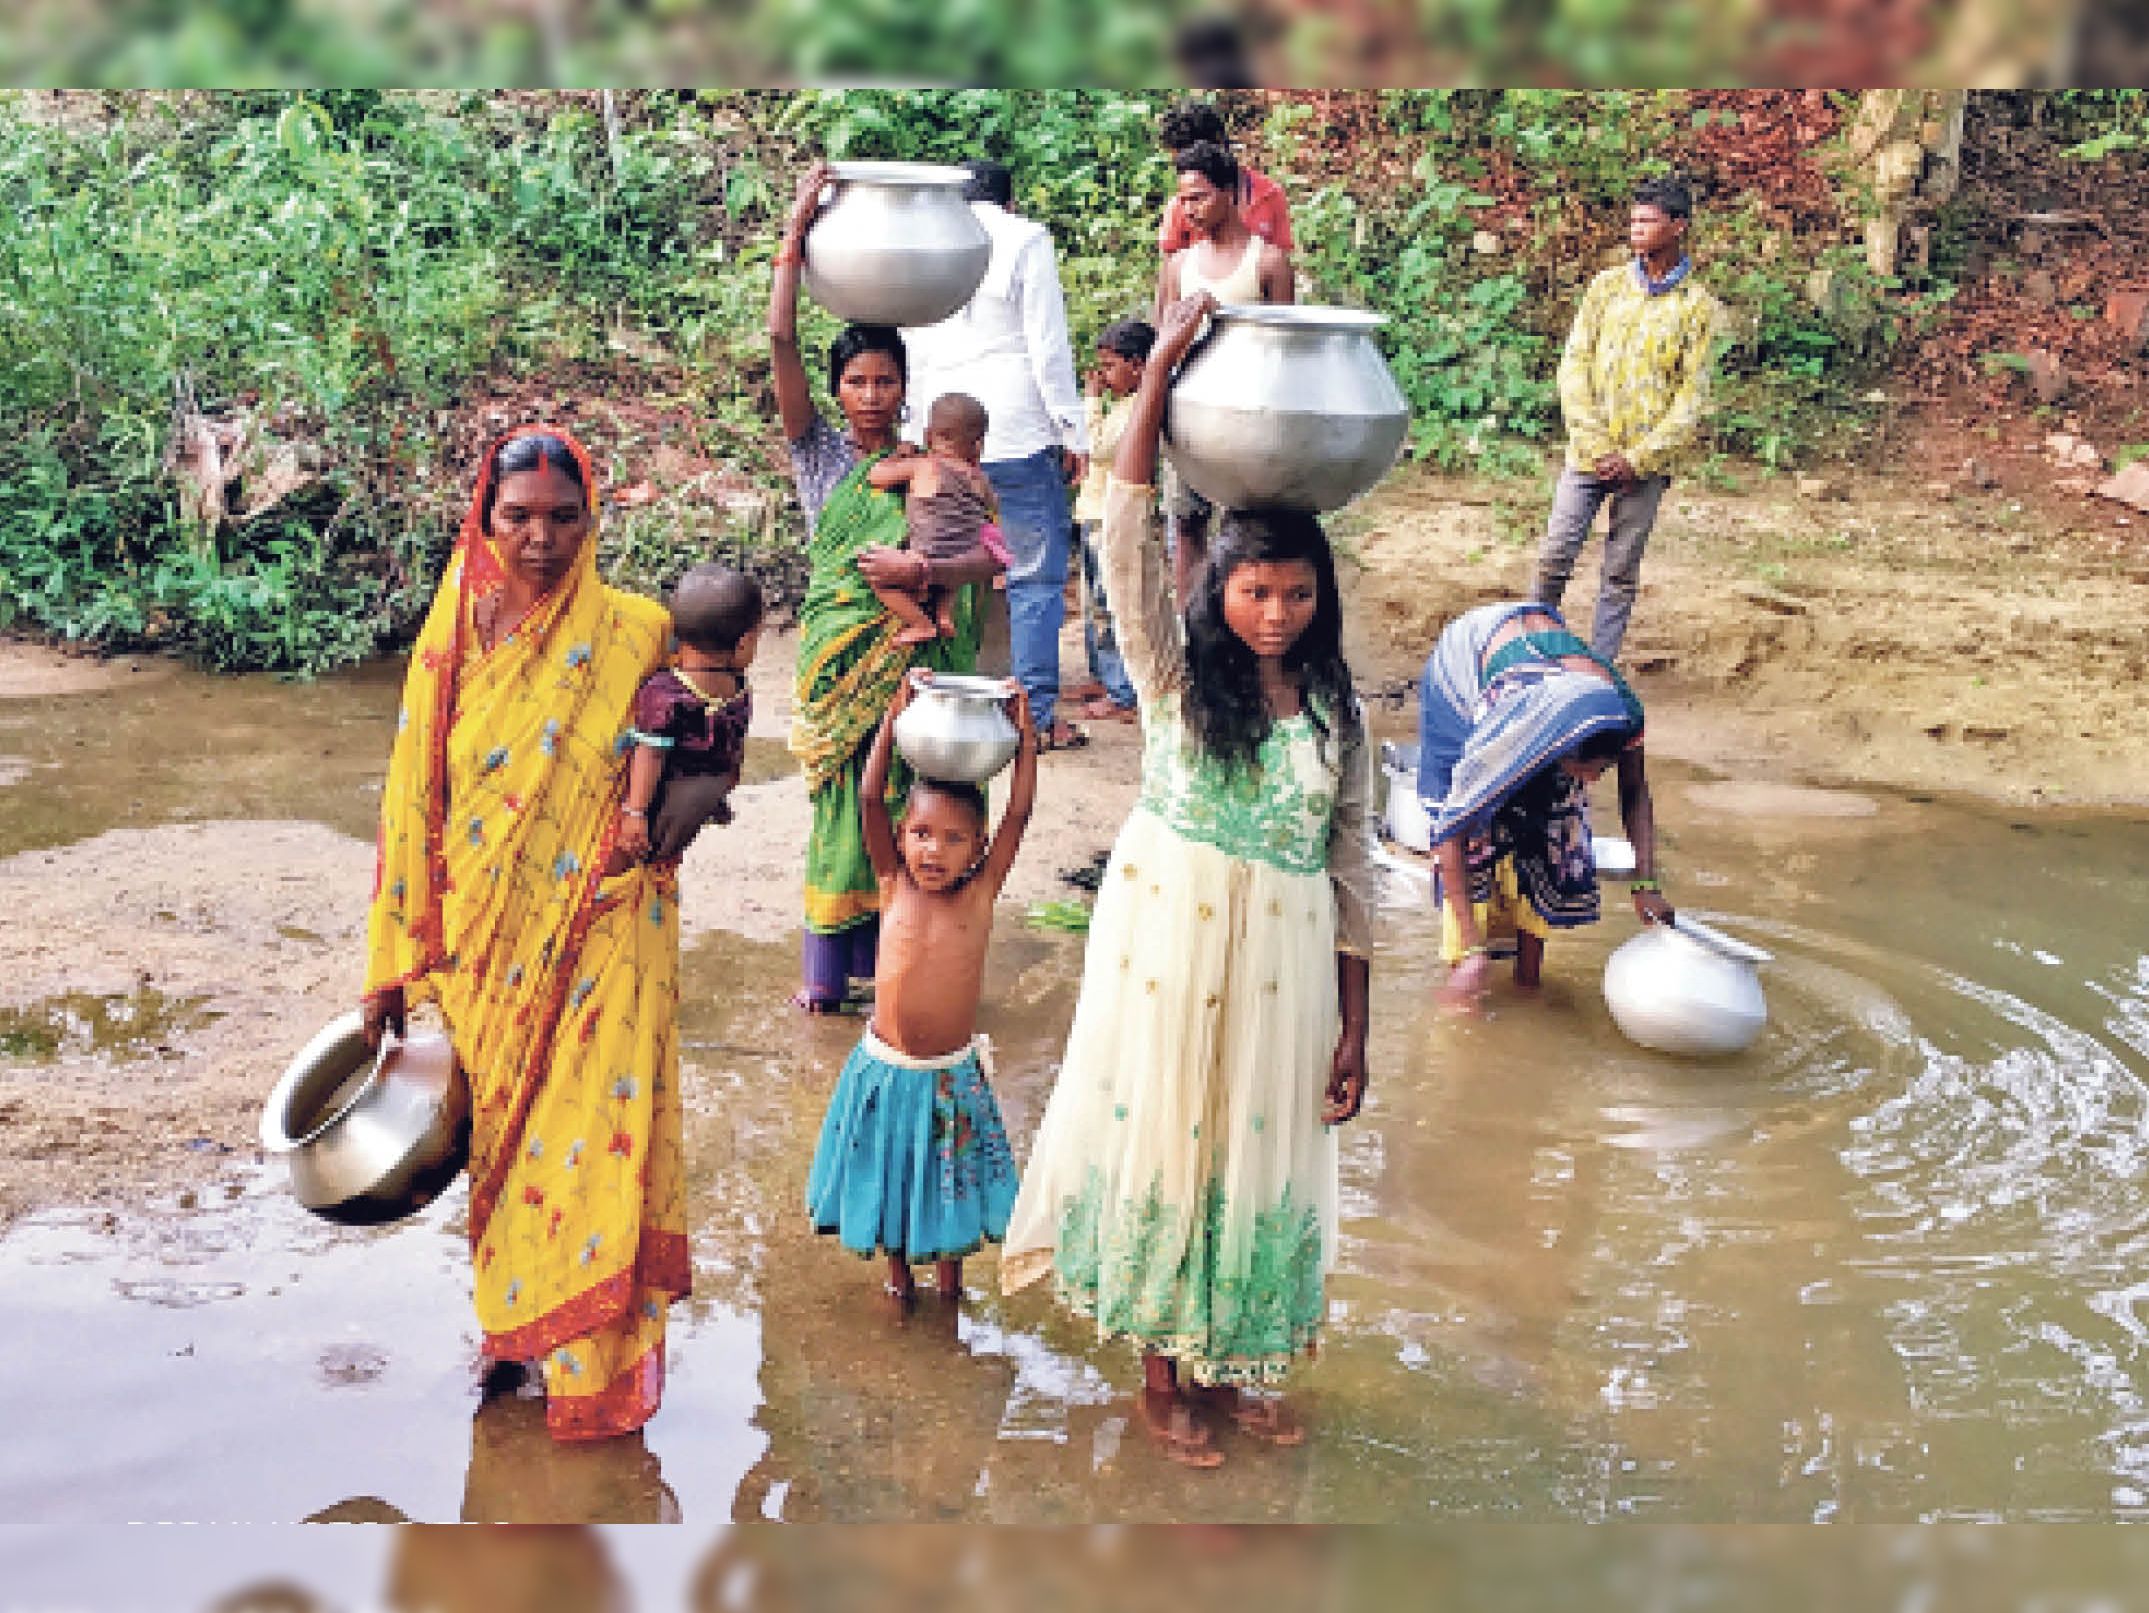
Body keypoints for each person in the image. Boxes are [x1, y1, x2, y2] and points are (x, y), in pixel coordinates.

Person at [1001, 293, 1376, 1468]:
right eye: (1254, 591)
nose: (1274, 612)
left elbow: (1353, 863)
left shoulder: (1335, 708)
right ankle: (1164, 1370)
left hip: (1285, 964)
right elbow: (1117, 533)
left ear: (1321, 601)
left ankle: (1241, 1351)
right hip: (1168, 946)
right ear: (1218, 592)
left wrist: (1356, 1022)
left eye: (1297, 594)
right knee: (1170, 1131)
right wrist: (1156, 374)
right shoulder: (1166, 675)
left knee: (1260, 1144)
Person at [361, 427, 689, 1443]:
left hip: (606, 924)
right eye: (518, 517)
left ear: (592, 520)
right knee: (500, 1131)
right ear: (483, 517)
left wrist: (670, 824)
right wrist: (388, 964)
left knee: (593, 1132)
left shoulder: (638, 629)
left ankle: (590, 1357)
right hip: (485, 938)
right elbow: (413, 794)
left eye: (563, 517)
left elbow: (697, 747)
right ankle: (516, 1326)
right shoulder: (452, 634)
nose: (540, 538)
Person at [771, 161, 1005, 1014]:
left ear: (905, 386)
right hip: (841, 657)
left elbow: (992, 557)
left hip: (919, 659)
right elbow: (780, 344)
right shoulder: (821, 456)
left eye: (884, 380)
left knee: (917, 795)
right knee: (845, 800)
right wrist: (796, 233)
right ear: (836, 390)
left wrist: (923, 573)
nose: (870, 395)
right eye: (856, 381)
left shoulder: (937, 464)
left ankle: (903, 968)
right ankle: (828, 976)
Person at [805, 672, 1036, 1308]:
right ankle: (899, 1284)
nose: (934, 850)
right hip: (887, 1069)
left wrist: (1025, 739)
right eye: (923, 834)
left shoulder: (981, 894)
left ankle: (950, 1289)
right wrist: (894, 717)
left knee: (948, 1185)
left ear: (979, 848)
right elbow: (872, 797)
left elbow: (1018, 812)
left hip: (948, 1075)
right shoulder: (891, 881)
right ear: (903, 838)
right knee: (893, 1179)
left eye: (954, 839)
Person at [902, 158, 1092, 752]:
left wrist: (913, 429)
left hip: (935, 432)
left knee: (937, 563)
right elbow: (1047, 340)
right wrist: (1071, 427)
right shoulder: (1024, 238)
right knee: (1032, 577)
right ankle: (1030, 717)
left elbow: (908, 336)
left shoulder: (928, 244)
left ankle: (932, 700)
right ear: (1009, 202)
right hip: (1014, 431)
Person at [1416, 601, 1674, 1014]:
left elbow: (1635, 790)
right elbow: (1451, 830)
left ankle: (1527, 982)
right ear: (1554, 748)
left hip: (1551, 680)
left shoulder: (1621, 711)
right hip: (1468, 666)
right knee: (1479, 837)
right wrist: (1471, 945)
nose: (1591, 780)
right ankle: (1466, 975)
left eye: (1600, 771)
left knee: (1558, 828)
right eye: (1581, 768)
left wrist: (1646, 883)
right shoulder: (1506, 716)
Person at [1531, 174, 1724, 662]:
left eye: (1648, 220)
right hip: (1587, 455)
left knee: (1619, 571)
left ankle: (1601, 666)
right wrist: (1596, 447)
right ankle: (1533, 647)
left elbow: (1692, 399)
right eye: (1633, 219)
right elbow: (1574, 365)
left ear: (1677, 227)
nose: (1636, 228)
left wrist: (1637, 458)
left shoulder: (1697, 309)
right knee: (1555, 553)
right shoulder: (1607, 289)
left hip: (1645, 466)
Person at [620, 564, 762, 866]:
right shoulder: (731, 687)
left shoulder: (665, 691)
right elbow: (651, 755)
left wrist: (635, 812)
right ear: (743, 642)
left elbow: (652, 754)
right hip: (687, 795)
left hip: (682, 796)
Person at [1065, 317, 1154, 725]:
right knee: (1091, 603)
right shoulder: (1120, 404)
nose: (1102, 375)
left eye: (1110, 365)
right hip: (1092, 510)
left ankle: (1123, 691)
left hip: (1110, 516)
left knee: (1110, 603)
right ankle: (1103, 677)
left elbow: (1098, 447)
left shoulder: (1139, 407)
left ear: (1137, 365)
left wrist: (1088, 400)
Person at [865, 392, 1002, 647]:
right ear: (978, 445)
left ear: (929, 436)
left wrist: (898, 457)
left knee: (880, 582)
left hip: (924, 557)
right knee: (953, 579)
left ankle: (921, 624)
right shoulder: (979, 478)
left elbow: (877, 476)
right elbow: (992, 508)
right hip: (962, 556)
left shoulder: (925, 465)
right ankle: (944, 612)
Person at [1156, 141, 1294, 314]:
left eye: (1198, 198)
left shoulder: (1269, 263)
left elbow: (1283, 337)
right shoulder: (1180, 265)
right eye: (1184, 201)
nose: (1189, 211)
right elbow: (1167, 335)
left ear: (1228, 192)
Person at [1155, 98, 1294, 259]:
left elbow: (1282, 262)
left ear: (1220, 144)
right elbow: (1170, 271)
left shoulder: (1268, 195)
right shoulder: (1180, 206)